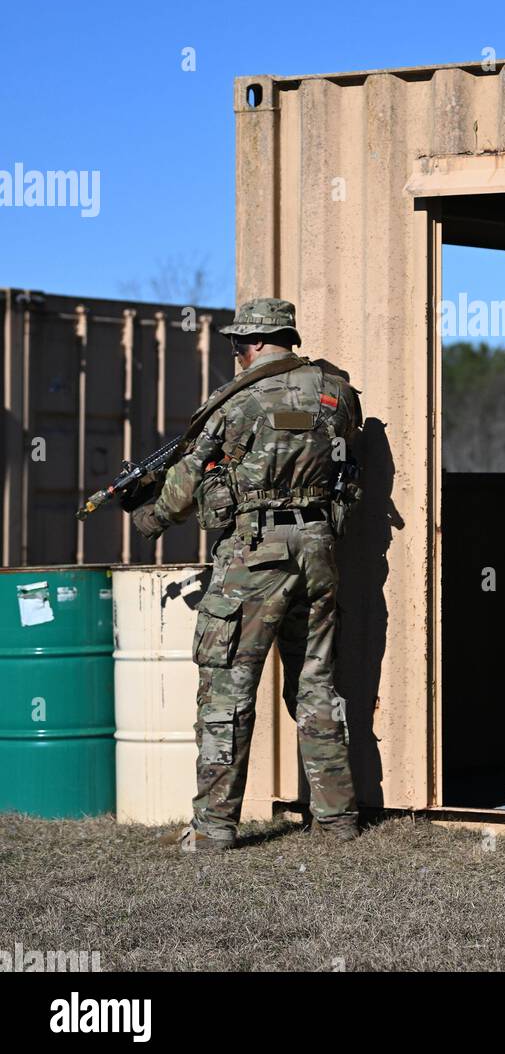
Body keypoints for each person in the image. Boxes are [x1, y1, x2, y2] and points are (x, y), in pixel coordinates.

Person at [131, 298, 362, 852]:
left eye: (238, 342)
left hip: (254, 555)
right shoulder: (339, 392)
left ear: (254, 343)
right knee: (316, 685)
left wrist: (147, 517)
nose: (235, 351)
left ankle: (212, 830)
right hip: (318, 548)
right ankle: (336, 822)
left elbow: (185, 486)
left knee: (226, 689)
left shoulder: (236, 402)